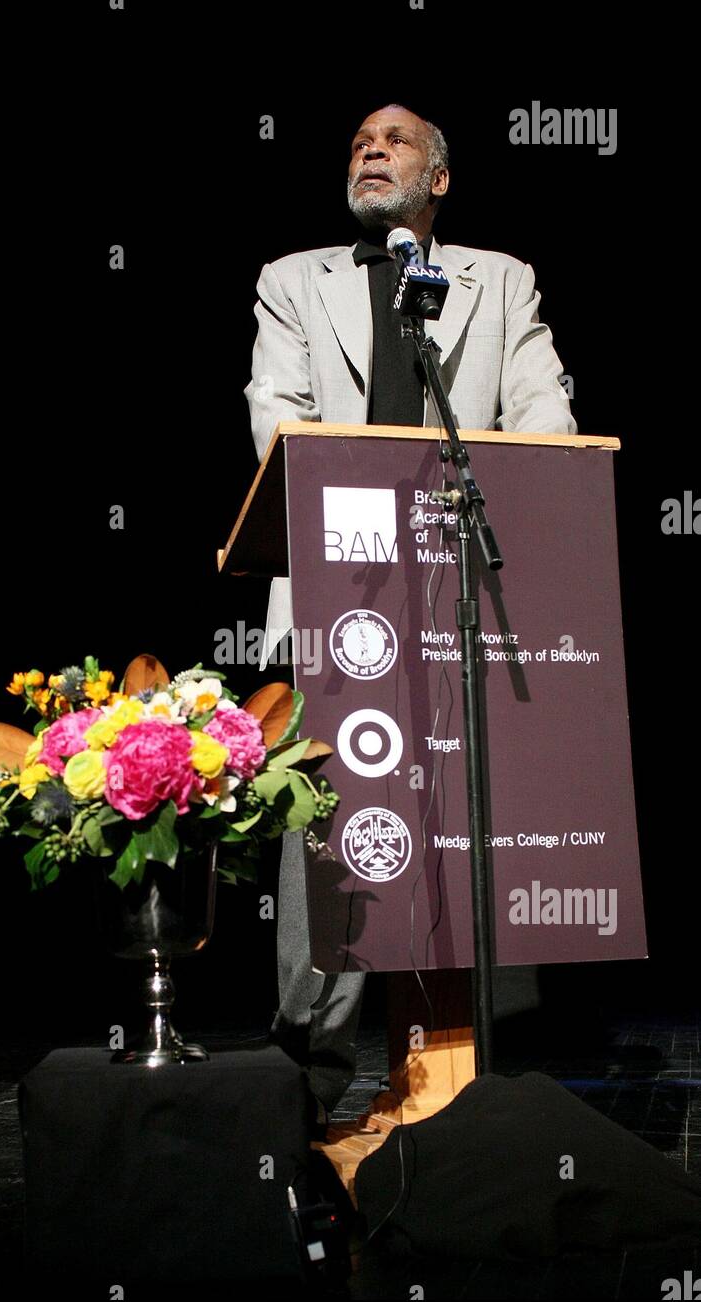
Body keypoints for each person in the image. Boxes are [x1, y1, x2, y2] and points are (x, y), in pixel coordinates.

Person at [243, 104, 577, 1127]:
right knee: (332, 832)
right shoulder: (294, 278)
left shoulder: (498, 277)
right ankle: (312, 1061)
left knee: (466, 817)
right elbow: (278, 417)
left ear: (437, 178)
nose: (368, 149)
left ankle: (473, 1059)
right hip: (337, 589)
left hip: (456, 592)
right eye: (354, 142)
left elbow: (544, 414)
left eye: (391, 140)